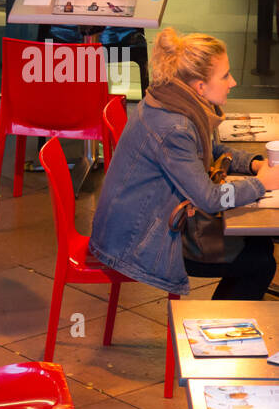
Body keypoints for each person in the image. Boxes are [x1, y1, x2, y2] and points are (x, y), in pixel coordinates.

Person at [90, 29, 279, 298]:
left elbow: (209, 150)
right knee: (259, 262)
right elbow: (210, 199)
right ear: (200, 86)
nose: (233, 82)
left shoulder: (173, 100)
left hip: (144, 223)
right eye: (225, 75)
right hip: (140, 240)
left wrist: (254, 164)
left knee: (258, 248)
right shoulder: (174, 126)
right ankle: (215, 335)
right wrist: (261, 184)